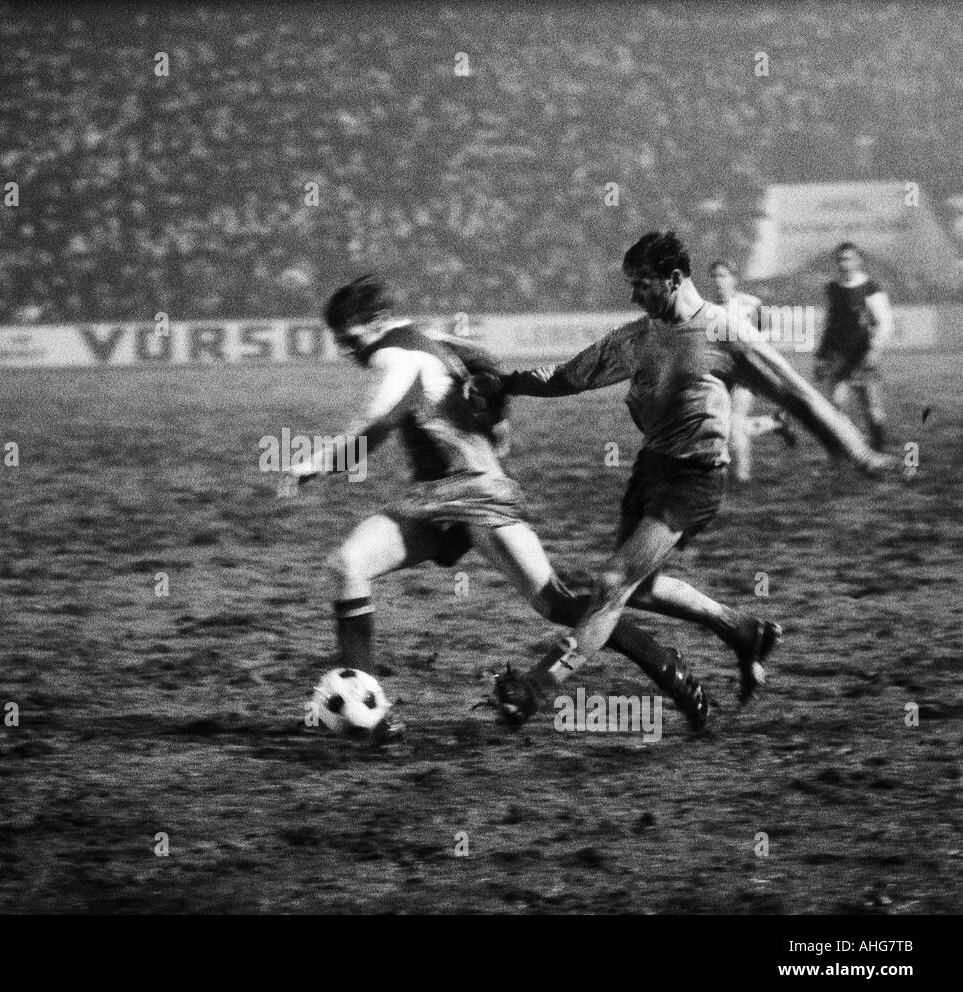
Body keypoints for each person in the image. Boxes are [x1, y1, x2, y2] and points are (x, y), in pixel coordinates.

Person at [483, 232, 895, 726]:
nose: (634, 295)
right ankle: (744, 630)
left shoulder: (725, 334)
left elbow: (798, 395)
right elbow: (566, 378)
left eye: (641, 284)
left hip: (694, 479)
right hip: (651, 469)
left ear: (675, 279)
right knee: (643, 590)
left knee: (613, 582)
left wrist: (857, 451)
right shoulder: (637, 337)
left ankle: (535, 687)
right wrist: (506, 382)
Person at [285, 275, 708, 743]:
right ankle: (373, 714)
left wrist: (321, 460)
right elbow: (486, 361)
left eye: (351, 340)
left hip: (475, 493)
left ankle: (665, 665)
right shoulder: (432, 339)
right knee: (348, 565)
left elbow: (376, 419)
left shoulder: (394, 354)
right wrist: (500, 423)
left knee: (557, 603)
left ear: (378, 322)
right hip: (439, 499)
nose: (349, 352)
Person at [706, 259, 796, 483]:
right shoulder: (705, 310)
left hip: (746, 374)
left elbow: (771, 332)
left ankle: (742, 478)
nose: (719, 281)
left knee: (734, 425)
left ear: (734, 279)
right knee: (718, 428)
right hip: (720, 375)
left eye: (723, 275)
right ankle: (775, 422)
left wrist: (748, 343)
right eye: (715, 276)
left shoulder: (750, 304)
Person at [816, 242, 894, 452]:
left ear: (858, 261)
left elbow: (885, 323)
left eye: (849, 259)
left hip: (862, 356)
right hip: (839, 357)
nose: (845, 264)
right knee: (835, 406)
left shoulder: (871, 288)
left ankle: (878, 451)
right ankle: (846, 452)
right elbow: (830, 324)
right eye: (841, 259)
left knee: (872, 409)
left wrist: (875, 350)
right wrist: (821, 356)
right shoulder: (832, 288)